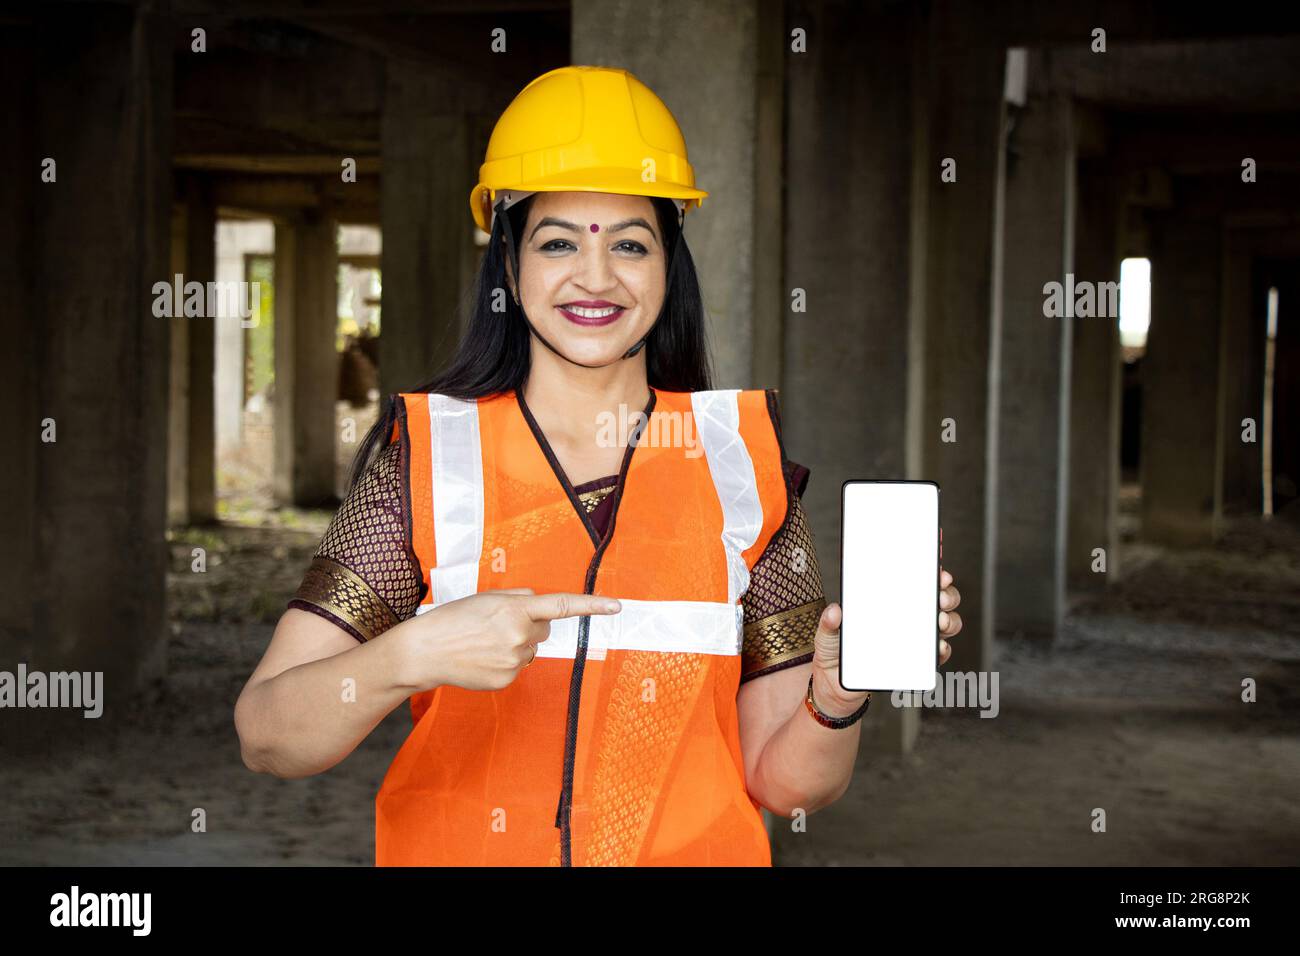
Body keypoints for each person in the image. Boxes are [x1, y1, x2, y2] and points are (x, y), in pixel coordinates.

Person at [234, 65, 962, 866]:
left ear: (667, 267)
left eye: (629, 244)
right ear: (508, 266)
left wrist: (836, 692)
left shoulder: (741, 464)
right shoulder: (427, 461)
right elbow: (269, 738)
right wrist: (410, 653)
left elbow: (789, 788)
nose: (595, 276)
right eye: (557, 243)